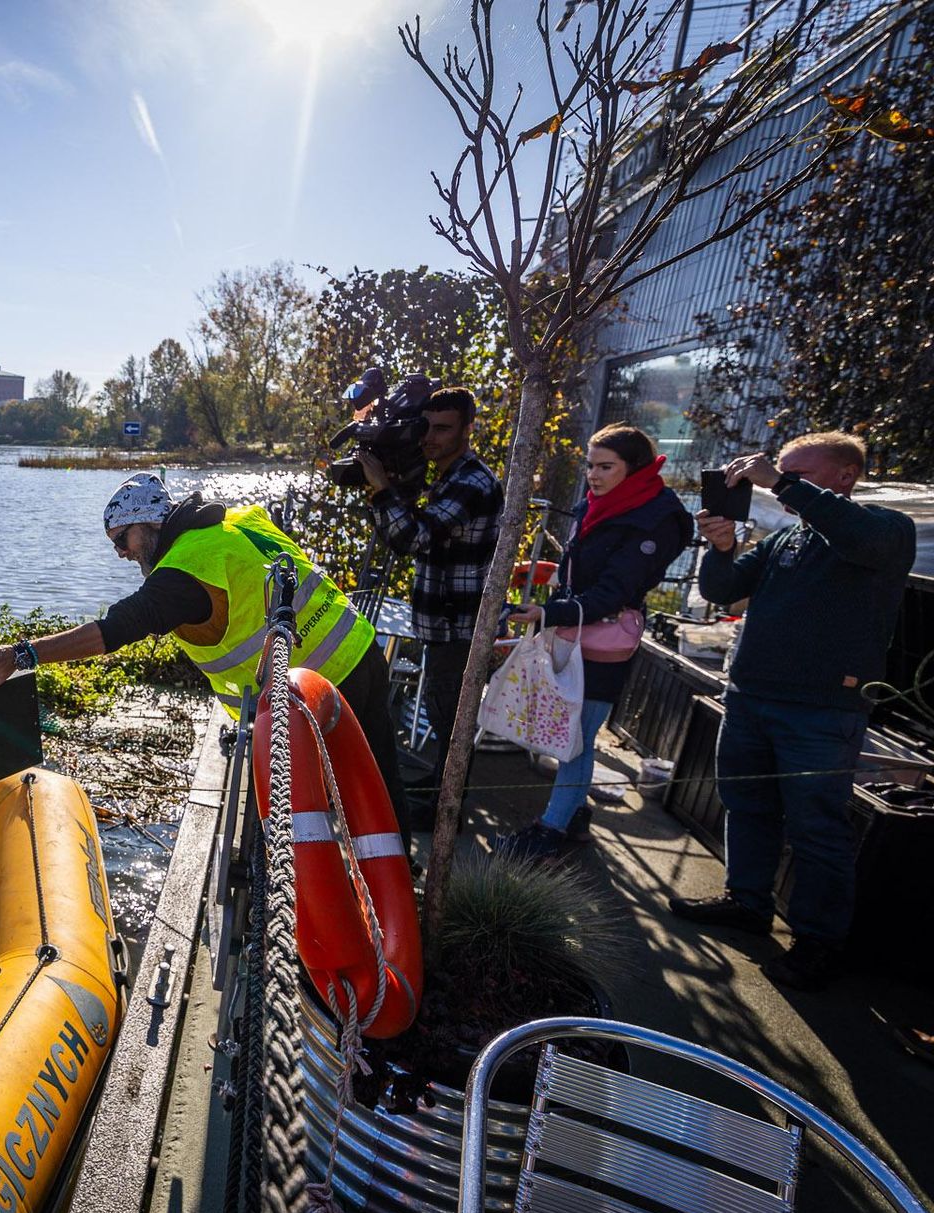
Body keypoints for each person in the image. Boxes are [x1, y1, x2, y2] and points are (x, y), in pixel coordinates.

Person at [0, 471, 411, 838]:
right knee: (381, 792)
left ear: (150, 524)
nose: (121, 554)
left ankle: (330, 927)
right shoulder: (237, 521)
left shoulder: (183, 570)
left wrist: (21, 654)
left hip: (312, 694)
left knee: (303, 823)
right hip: (361, 650)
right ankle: (402, 900)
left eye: (123, 540)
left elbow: (113, 630)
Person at [670, 432, 915, 990]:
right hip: (752, 697)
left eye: (797, 475)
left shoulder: (885, 530)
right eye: (780, 473)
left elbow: (860, 539)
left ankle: (819, 943)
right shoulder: (788, 540)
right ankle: (748, 901)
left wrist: (782, 484)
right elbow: (722, 589)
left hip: (821, 709)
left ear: (846, 475)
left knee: (816, 827)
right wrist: (723, 545)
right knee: (747, 803)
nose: (778, 484)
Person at [497, 424, 693, 859]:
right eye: (590, 464)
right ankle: (574, 815)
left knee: (578, 738)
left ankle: (549, 831)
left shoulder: (654, 518)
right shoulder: (608, 503)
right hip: (579, 630)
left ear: (635, 469)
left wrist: (550, 612)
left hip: (601, 641)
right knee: (573, 732)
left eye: (605, 466)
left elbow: (615, 590)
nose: (593, 474)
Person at [362, 386, 504, 826]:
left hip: (460, 626)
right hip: (442, 623)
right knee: (447, 714)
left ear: (467, 428)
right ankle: (442, 793)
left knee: (452, 720)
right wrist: (391, 488)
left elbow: (414, 537)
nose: (431, 438)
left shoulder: (472, 481)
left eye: (443, 428)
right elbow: (404, 534)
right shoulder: (443, 476)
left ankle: (447, 812)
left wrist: (383, 488)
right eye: (427, 427)